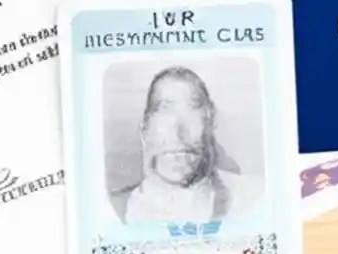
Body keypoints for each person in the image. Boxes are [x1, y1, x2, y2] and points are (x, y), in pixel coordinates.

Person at [110, 66, 262, 224]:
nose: (178, 132)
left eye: (192, 108)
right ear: (145, 130)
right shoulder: (112, 210)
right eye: (164, 109)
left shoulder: (253, 199)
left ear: (211, 122)